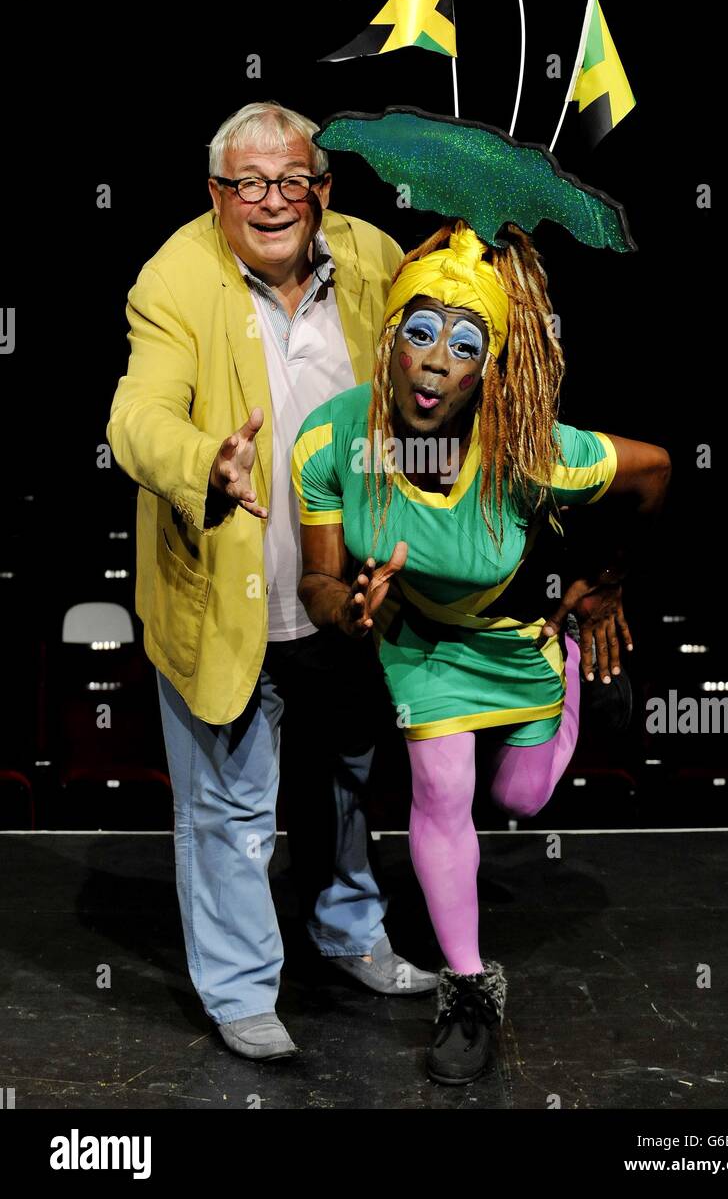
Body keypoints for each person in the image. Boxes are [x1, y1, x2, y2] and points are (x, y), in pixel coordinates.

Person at [292, 219, 671, 1084]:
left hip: (511, 633)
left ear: (490, 364)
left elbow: (655, 470)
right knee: (439, 786)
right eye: (418, 332)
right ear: (389, 339)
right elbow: (317, 582)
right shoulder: (330, 440)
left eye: (464, 344)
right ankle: (467, 988)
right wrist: (345, 610)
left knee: (519, 798)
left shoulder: (530, 450)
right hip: (418, 636)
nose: (434, 362)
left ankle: (567, 677)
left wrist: (606, 585)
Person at [107, 100, 438, 1063]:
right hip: (223, 591)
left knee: (344, 778)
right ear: (217, 195)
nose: (273, 200)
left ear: (321, 189)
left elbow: (435, 373)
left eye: (293, 179)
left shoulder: (372, 258)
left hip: (342, 591)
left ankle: (349, 934)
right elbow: (136, 415)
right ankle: (243, 989)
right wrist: (206, 459)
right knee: (229, 802)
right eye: (248, 183)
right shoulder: (174, 278)